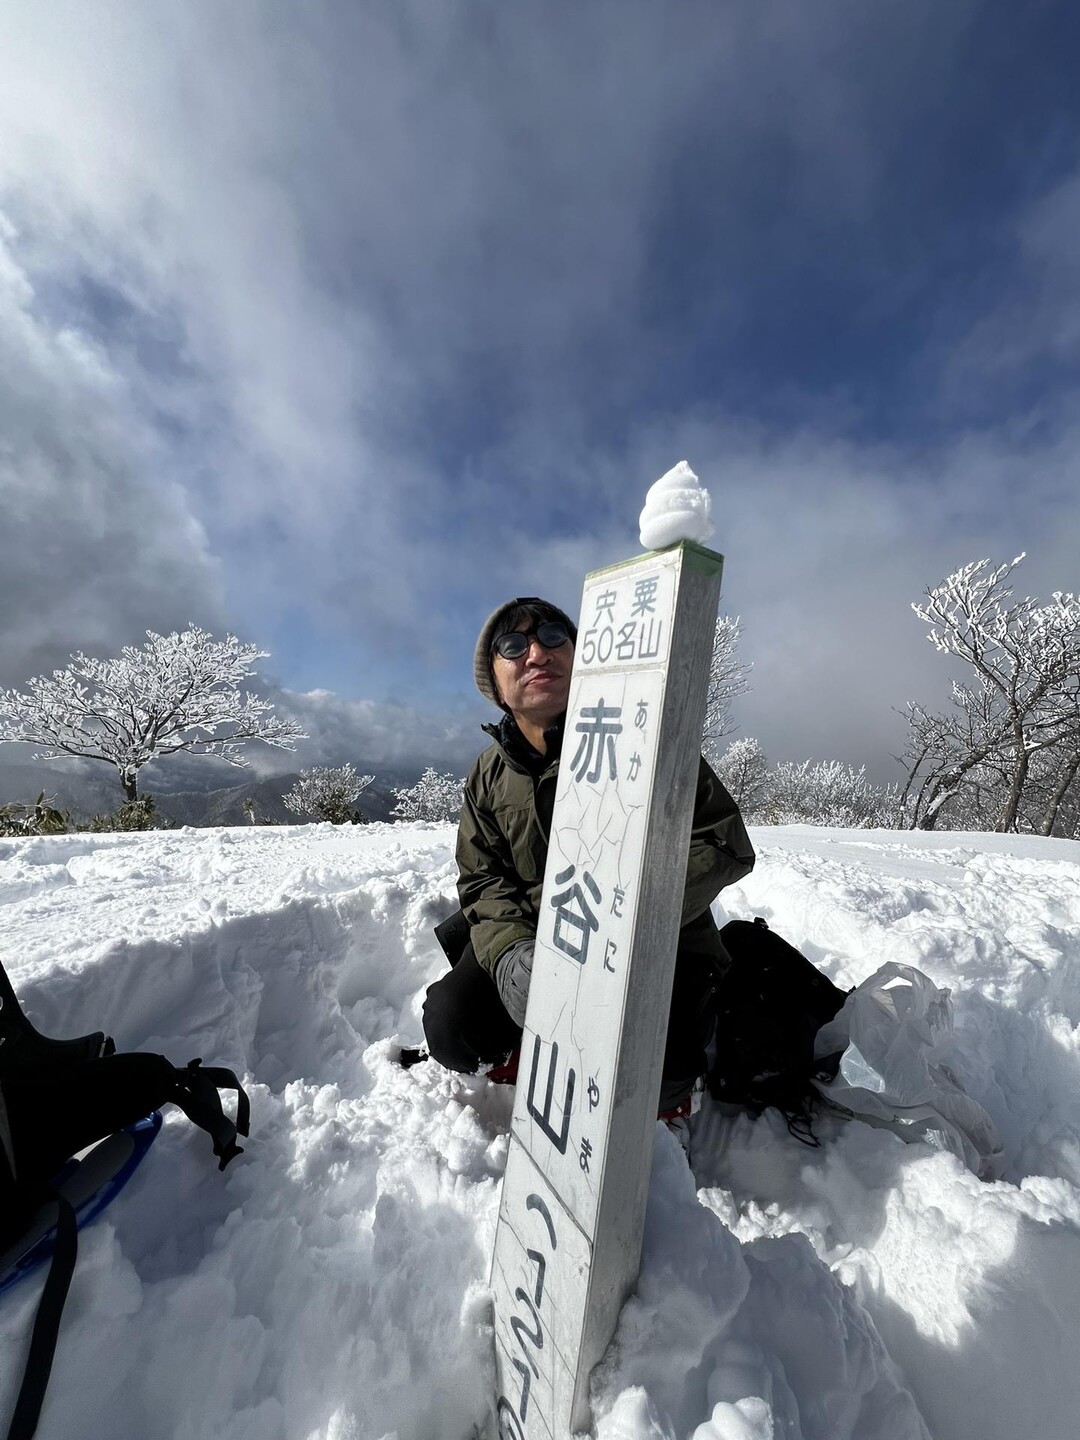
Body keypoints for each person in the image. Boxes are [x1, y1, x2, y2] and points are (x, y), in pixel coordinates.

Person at [422, 596, 756, 1117]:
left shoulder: (644, 737)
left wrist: (627, 916)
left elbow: (722, 840)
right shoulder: (488, 774)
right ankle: (525, 1056)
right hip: (535, 941)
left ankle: (666, 1107)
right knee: (450, 1024)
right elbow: (483, 882)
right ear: (494, 682)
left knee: (655, 1056)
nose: (537, 653)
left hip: (652, 938)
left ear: (580, 656)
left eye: (553, 636)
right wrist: (513, 956)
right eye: (513, 645)